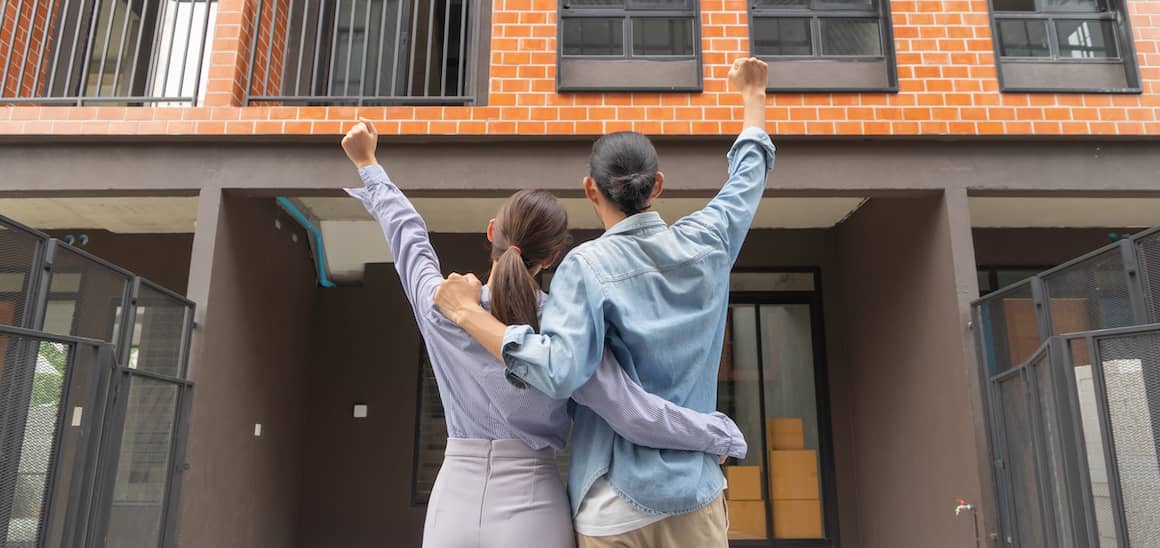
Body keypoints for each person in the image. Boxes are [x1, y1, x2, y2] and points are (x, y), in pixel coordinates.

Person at [340, 118, 747, 548]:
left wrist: (369, 163)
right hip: (532, 507)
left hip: (452, 507)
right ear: (553, 257)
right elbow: (631, 410)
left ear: (493, 231)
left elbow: (409, 238)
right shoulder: (564, 330)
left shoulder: (443, 303)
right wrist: (716, 433)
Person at [433, 57, 774, 548]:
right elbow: (748, 177)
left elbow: (559, 371)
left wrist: (466, 313)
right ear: (657, 185)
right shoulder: (710, 240)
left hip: (611, 504)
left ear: (590, 190)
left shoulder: (584, 266)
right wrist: (752, 98)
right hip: (695, 497)